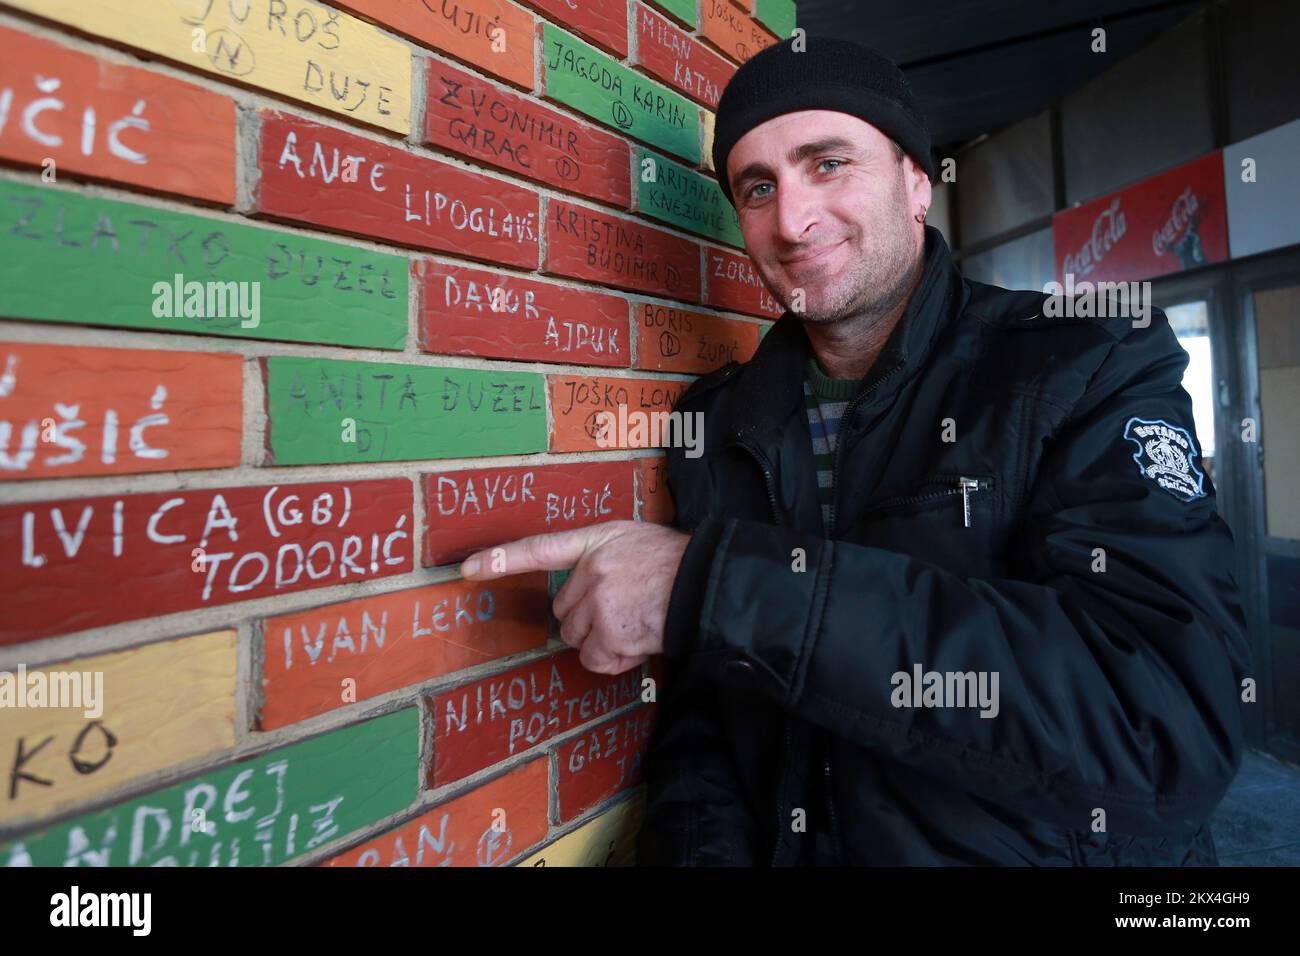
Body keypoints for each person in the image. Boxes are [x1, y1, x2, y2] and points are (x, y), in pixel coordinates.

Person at [460, 36, 1252, 866]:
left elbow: (1163, 720)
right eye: (757, 187)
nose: (792, 222)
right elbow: (709, 720)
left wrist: (713, 585)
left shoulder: (1086, 361)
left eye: (829, 163)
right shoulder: (721, 427)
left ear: (918, 183)